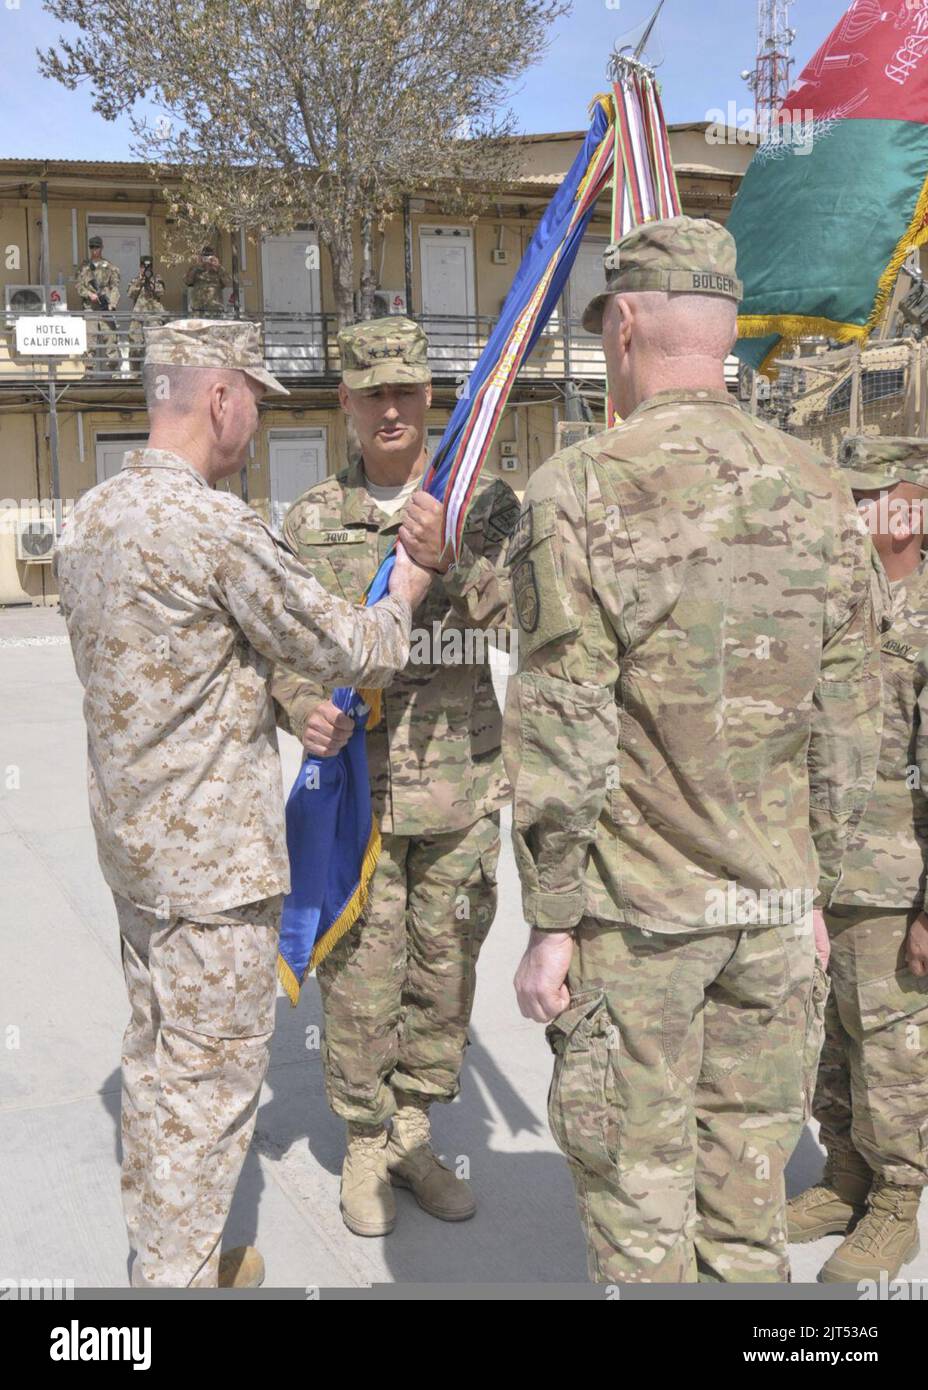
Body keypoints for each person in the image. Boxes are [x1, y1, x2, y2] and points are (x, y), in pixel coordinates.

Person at [504, 216, 883, 1283]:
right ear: (722, 332)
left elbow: (562, 728)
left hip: (642, 930)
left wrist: (550, 923)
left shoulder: (577, 489)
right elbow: (848, 722)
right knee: (746, 1215)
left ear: (624, 325)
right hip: (772, 921)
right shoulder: (817, 490)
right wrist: (815, 889)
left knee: (641, 1221)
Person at [53, 318, 431, 1288]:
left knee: (153, 1068)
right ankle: (169, 1283)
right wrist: (413, 580)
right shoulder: (215, 527)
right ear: (218, 397)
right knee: (210, 1090)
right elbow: (359, 647)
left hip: (135, 856)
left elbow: (188, 668)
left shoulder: (89, 516)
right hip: (212, 870)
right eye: (254, 399)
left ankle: (176, 1250)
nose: (258, 421)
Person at [272, 316, 519, 1237]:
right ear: (343, 401)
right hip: (357, 806)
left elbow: (521, 620)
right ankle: (366, 1143)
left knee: (445, 975)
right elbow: (280, 649)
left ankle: (417, 1132)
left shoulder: (482, 506)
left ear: (430, 400)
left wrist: (457, 561)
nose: (389, 408)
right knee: (361, 981)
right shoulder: (305, 521)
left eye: (404, 390)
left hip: (458, 789)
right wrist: (300, 706)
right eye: (370, 391)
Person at [788, 434, 928, 1283]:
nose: (862, 505)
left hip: (893, 878)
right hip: (819, 869)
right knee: (829, 1043)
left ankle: (898, 1200)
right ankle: (844, 1175)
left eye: (879, 491)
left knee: (891, 1047)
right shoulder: (836, 599)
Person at [76, 235, 121, 376]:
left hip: (105, 308)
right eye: (92, 247)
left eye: (97, 247)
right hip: (90, 308)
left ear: (101, 248)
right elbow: (78, 286)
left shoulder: (109, 266)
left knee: (111, 340)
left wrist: (112, 304)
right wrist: (89, 295)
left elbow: (115, 287)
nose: (94, 250)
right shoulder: (84, 267)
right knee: (90, 341)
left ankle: (114, 372)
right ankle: (89, 372)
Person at [127, 256, 166, 369]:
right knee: (135, 347)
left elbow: (161, 293)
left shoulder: (157, 279)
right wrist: (140, 281)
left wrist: (152, 281)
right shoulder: (135, 280)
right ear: (140, 267)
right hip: (138, 317)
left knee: (155, 346)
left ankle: (154, 372)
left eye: (148, 267)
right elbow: (130, 294)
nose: (145, 269)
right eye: (143, 266)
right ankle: (134, 374)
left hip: (154, 317)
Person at [184, 245, 233, 318]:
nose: (207, 258)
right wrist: (196, 266)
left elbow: (227, 282)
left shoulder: (218, 270)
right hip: (198, 309)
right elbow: (187, 281)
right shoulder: (196, 269)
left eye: (210, 255)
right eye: (205, 255)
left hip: (215, 308)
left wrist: (218, 266)